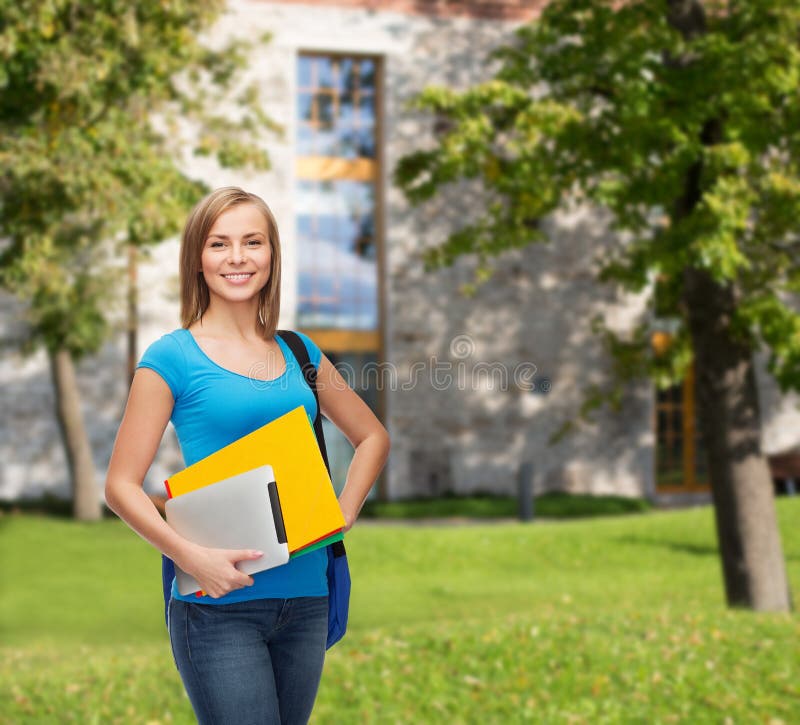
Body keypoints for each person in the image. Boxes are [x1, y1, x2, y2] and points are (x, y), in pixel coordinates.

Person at [104, 186, 390, 725]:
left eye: (252, 242)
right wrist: (191, 557)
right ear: (198, 260)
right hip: (218, 606)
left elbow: (372, 437)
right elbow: (120, 485)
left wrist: (343, 511)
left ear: (272, 255)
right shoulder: (172, 357)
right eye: (219, 244)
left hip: (306, 596)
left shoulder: (299, 351)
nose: (237, 258)